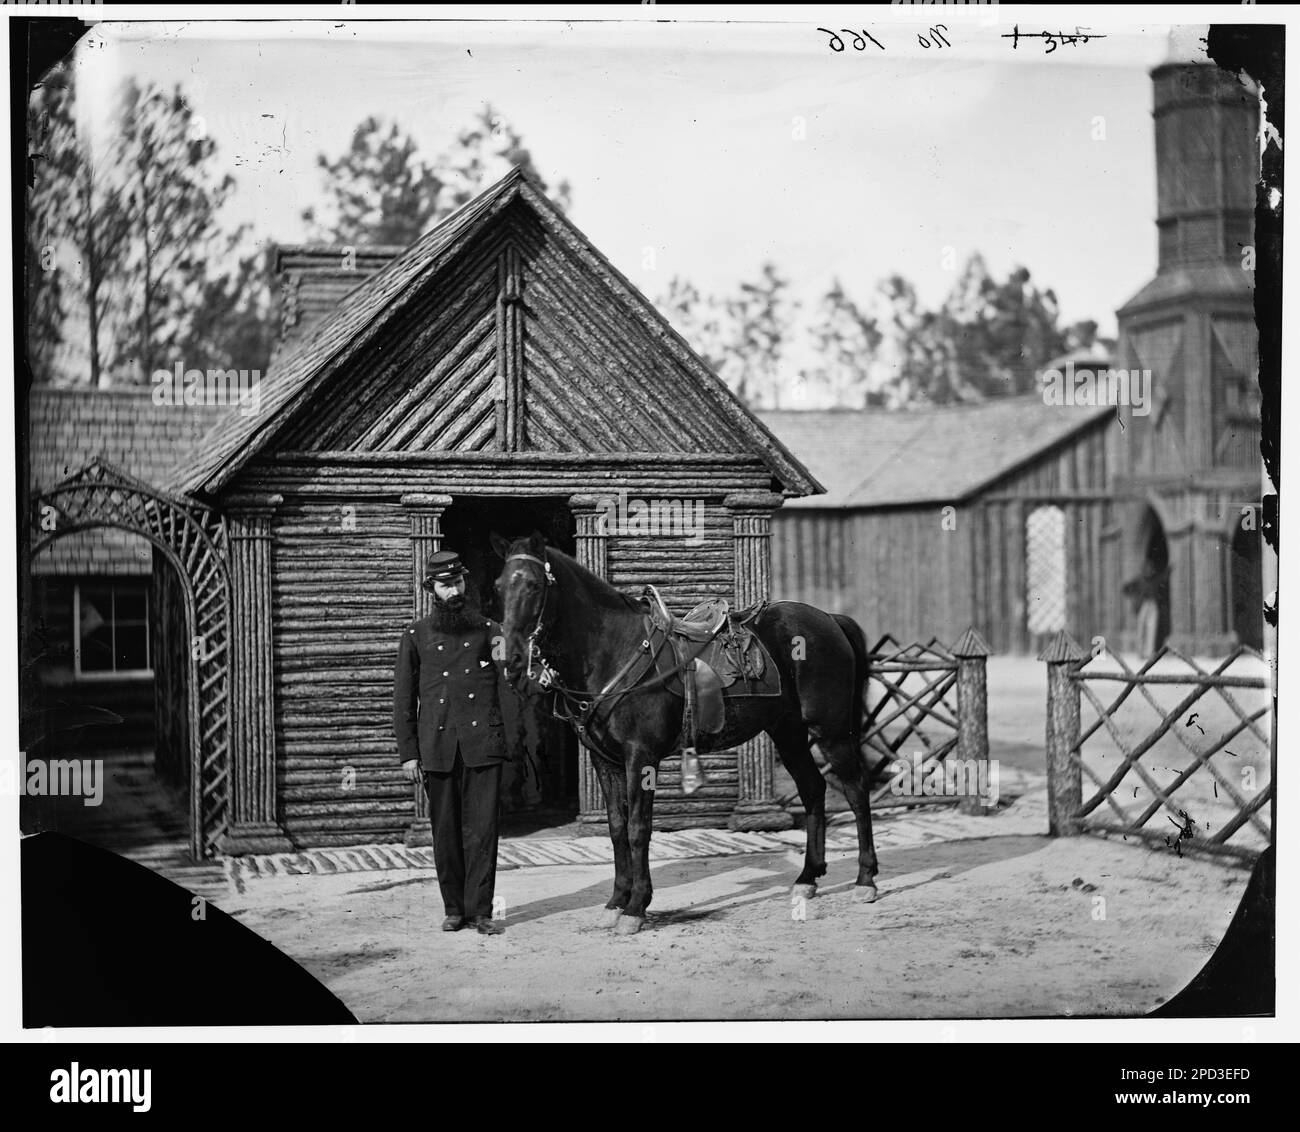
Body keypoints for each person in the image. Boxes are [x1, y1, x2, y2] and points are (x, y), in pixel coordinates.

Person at [393, 550, 508, 936]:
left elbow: (511, 681)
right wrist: (409, 753)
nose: (454, 590)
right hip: (438, 744)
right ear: (432, 589)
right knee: (445, 831)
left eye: (458, 582)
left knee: (483, 829)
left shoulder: (493, 631)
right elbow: (404, 699)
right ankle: (454, 909)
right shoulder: (416, 635)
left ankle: (482, 912)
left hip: (483, 744)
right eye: (445, 585)